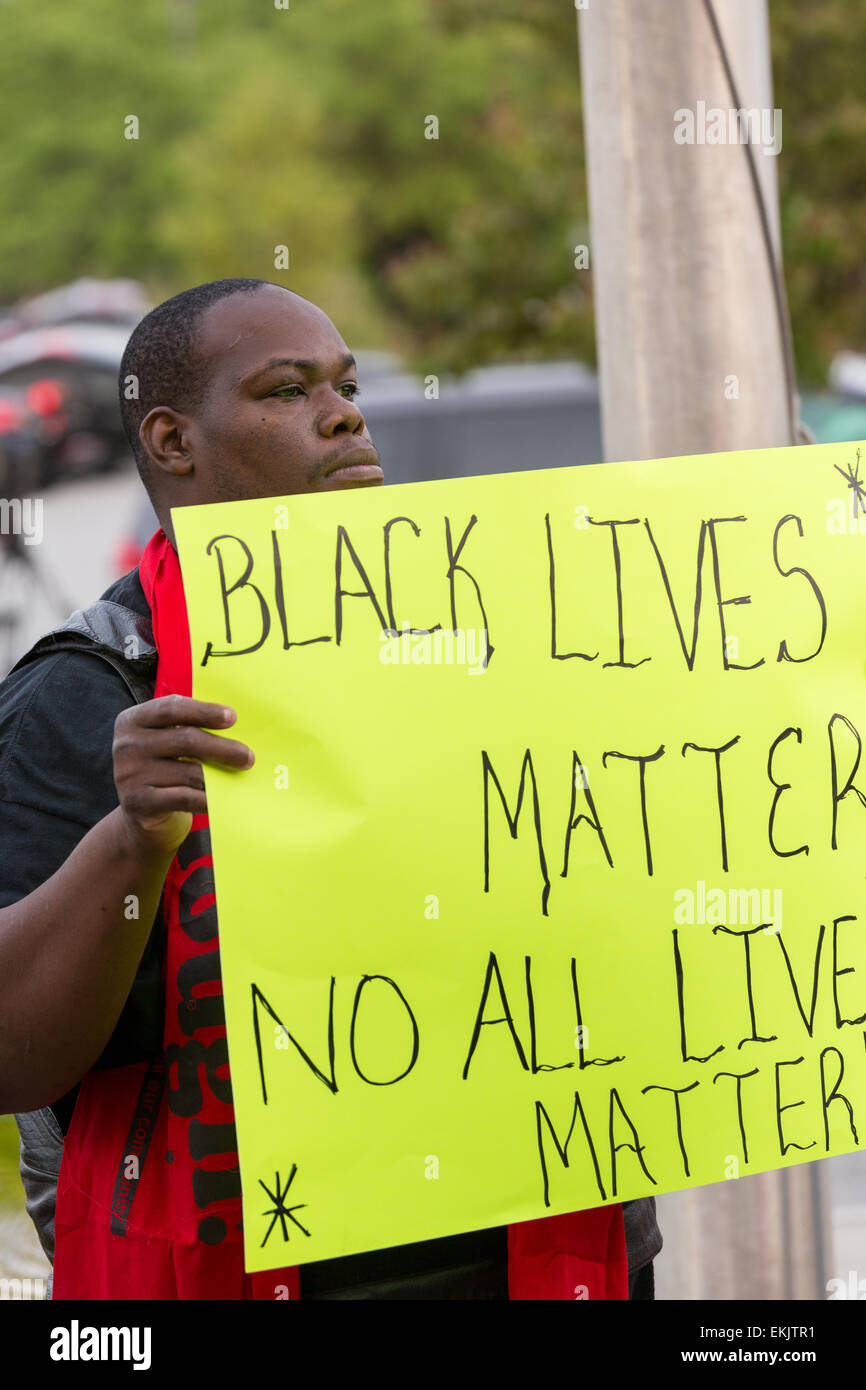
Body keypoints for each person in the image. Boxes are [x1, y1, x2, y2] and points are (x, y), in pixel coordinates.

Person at [0, 278, 661, 1299]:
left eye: (346, 383)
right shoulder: (87, 696)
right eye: (285, 390)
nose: (343, 411)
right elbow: (18, 1057)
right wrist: (132, 840)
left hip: (533, 1254)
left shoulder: (490, 643)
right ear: (174, 442)